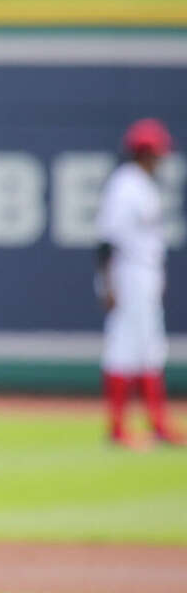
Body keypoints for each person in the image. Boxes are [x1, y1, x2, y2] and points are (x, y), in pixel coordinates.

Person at [96, 117, 183, 448]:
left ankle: (157, 423)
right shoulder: (125, 185)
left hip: (144, 273)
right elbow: (107, 239)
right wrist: (109, 284)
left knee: (149, 349)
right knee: (124, 347)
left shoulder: (142, 186)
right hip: (127, 272)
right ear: (144, 152)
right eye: (157, 153)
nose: (161, 159)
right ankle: (118, 427)